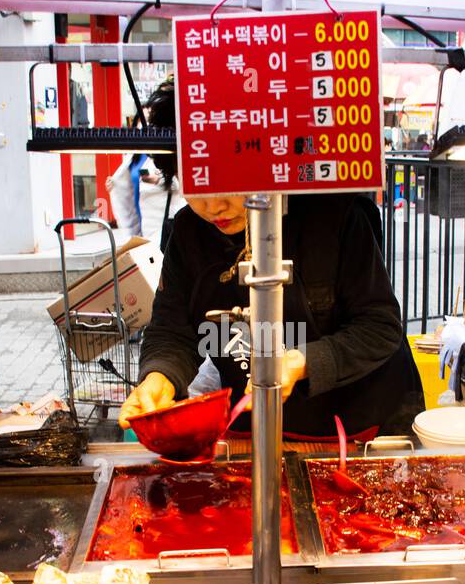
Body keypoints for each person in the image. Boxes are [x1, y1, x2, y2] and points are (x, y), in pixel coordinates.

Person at [118, 89, 424, 439]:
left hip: (358, 428)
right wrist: (159, 377)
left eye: (228, 183)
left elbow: (379, 327)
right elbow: (171, 330)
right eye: (196, 185)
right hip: (259, 430)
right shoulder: (189, 234)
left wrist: (300, 361)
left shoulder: (335, 214)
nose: (213, 205)